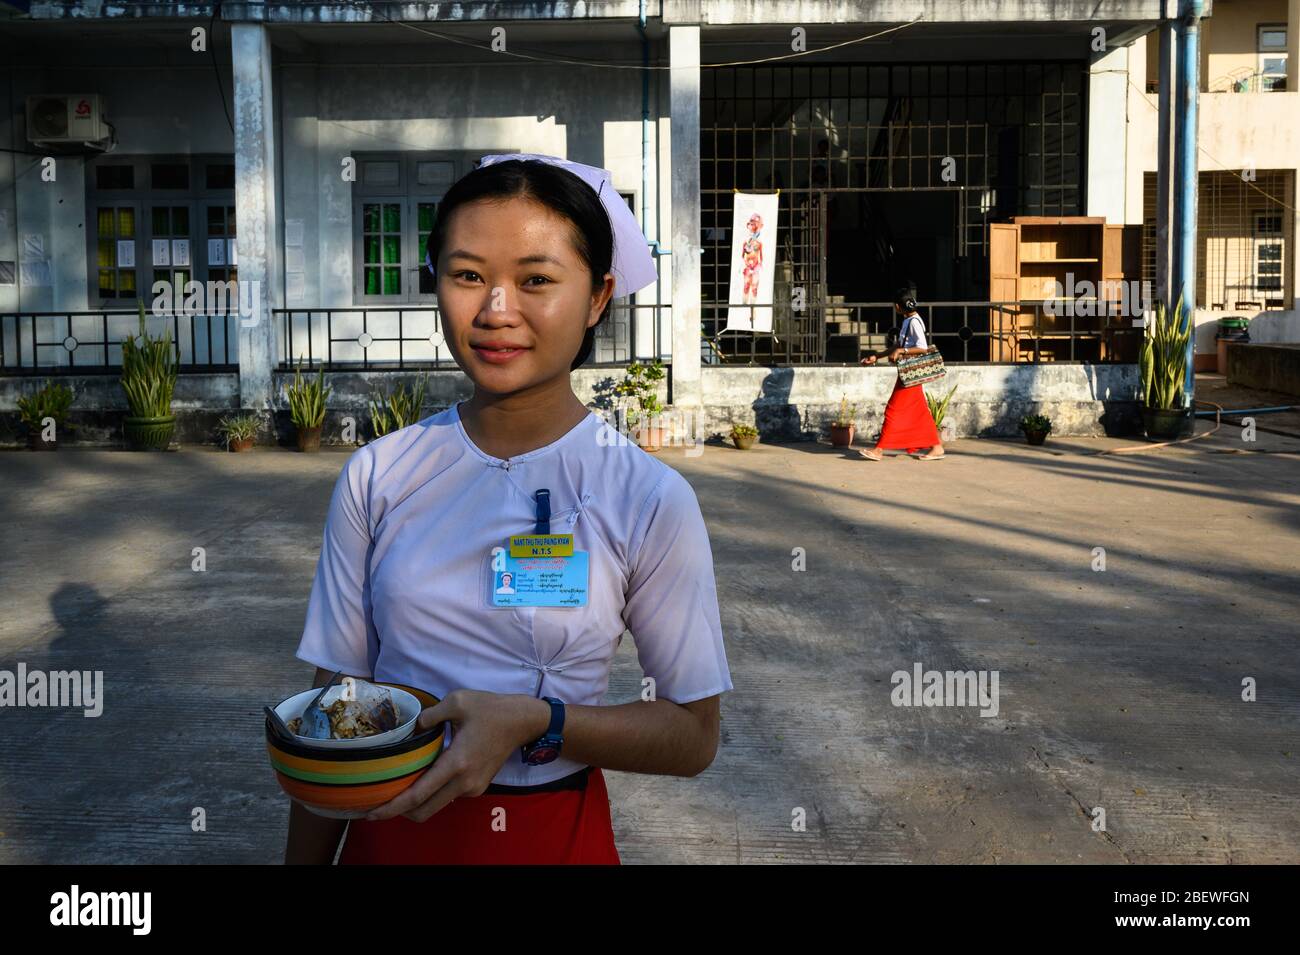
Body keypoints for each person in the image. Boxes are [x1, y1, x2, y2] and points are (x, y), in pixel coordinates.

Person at [284, 155, 733, 865]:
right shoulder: (378, 474)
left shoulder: (646, 496)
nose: (496, 310)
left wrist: (540, 721)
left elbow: (693, 734)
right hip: (388, 828)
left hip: (553, 834)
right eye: (468, 275)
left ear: (597, 296)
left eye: (536, 280)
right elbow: (335, 704)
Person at [857, 286, 945, 461]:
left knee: (893, 410)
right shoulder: (908, 320)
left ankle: (879, 450)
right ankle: (937, 447)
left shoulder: (913, 322)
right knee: (920, 412)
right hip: (908, 374)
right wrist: (877, 356)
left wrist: (902, 352)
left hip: (910, 375)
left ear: (898, 306)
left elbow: (922, 347)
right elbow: (897, 345)